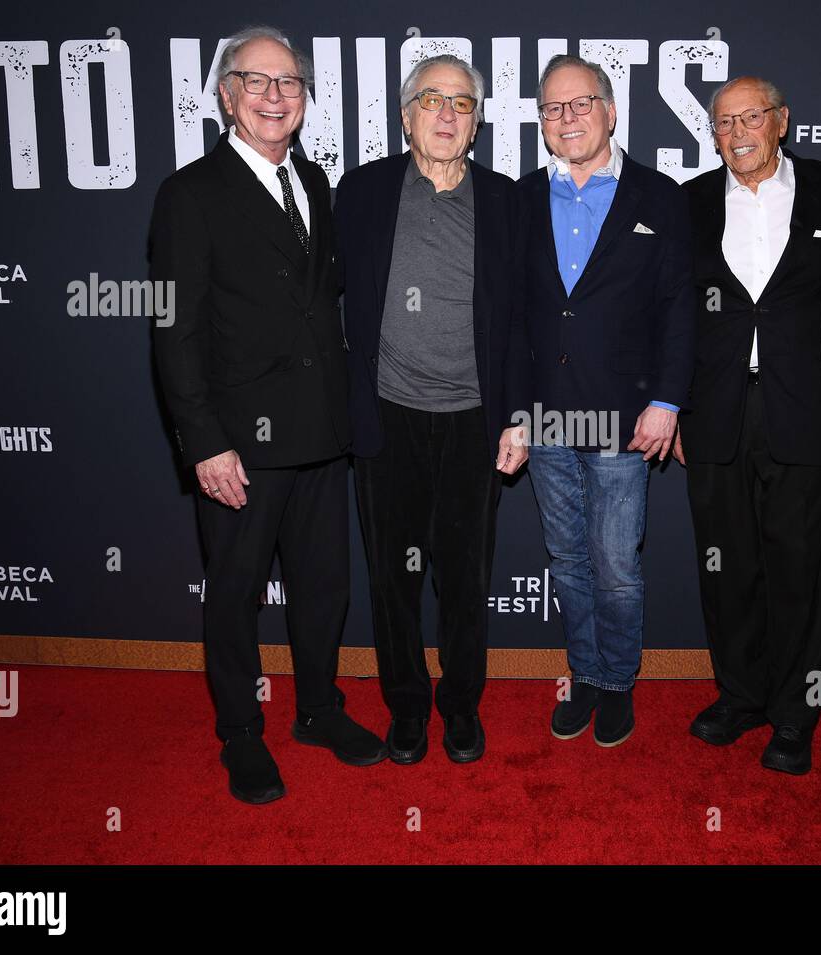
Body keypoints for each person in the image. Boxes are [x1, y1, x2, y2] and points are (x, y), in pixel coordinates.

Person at [150, 26, 385, 805]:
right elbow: (175, 332)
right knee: (235, 592)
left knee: (324, 587)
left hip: (321, 431)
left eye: (289, 83)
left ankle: (318, 709)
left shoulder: (314, 180)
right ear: (227, 96)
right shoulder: (190, 194)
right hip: (240, 445)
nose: (276, 96)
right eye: (257, 82)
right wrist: (204, 443)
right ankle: (241, 732)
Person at [335, 54, 529, 765]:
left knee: (465, 580)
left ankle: (461, 705)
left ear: (476, 124)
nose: (447, 115)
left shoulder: (507, 201)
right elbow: (320, 299)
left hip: (474, 421)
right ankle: (408, 707)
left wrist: (518, 416)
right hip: (388, 419)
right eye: (432, 100)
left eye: (462, 103)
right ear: (406, 115)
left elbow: (524, 322)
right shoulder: (363, 191)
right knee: (393, 579)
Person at [676, 77, 821, 774]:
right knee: (726, 566)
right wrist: (672, 405)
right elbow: (671, 313)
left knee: (801, 571)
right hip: (714, 411)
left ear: (781, 121)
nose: (738, 132)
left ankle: (794, 714)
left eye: (751, 117)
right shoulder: (688, 201)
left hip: (804, 410)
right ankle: (740, 695)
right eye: (724, 122)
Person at [518, 54, 695, 747]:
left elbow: (680, 306)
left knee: (617, 566)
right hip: (547, 415)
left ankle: (619, 681)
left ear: (611, 111)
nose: (567, 118)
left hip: (626, 415)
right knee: (567, 561)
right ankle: (586, 673)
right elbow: (509, 315)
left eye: (580, 103)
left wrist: (669, 401)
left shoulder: (659, 195)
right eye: (553, 109)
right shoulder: (522, 197)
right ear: (541, 122)